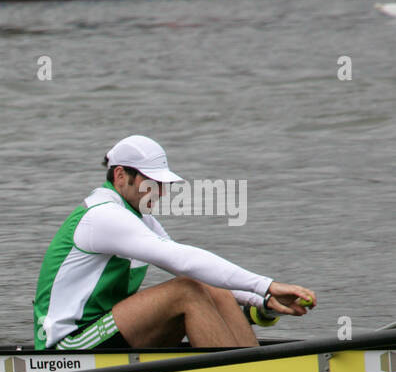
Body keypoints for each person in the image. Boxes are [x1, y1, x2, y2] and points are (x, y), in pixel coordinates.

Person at [33, 135, 316, 350]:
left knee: (206, 286)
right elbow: (182, 260)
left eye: (163, 184)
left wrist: (263, 300)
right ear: (121, 176)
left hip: (107, 333)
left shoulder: (139, 219)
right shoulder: (103, 216)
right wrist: (266, 284)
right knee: (186, 290)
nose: (161, 192)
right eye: (152, 182)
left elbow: (193, 269)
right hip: (68, 346)